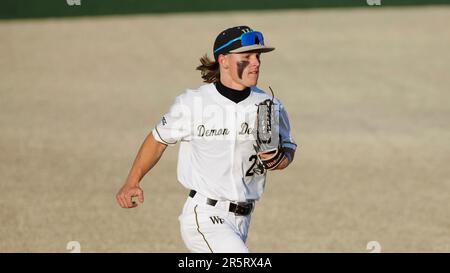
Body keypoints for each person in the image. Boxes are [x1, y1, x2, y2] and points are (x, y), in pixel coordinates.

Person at [116, 26, 297, 253]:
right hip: (205, 215)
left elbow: (287, 149)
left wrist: (278, 160)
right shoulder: (193, 103)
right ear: (224, 60)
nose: (256, 63)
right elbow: (158, 139)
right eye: (247, 56)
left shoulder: (270, 105)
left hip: (243, 219)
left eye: (258, 56)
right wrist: (132, 181)